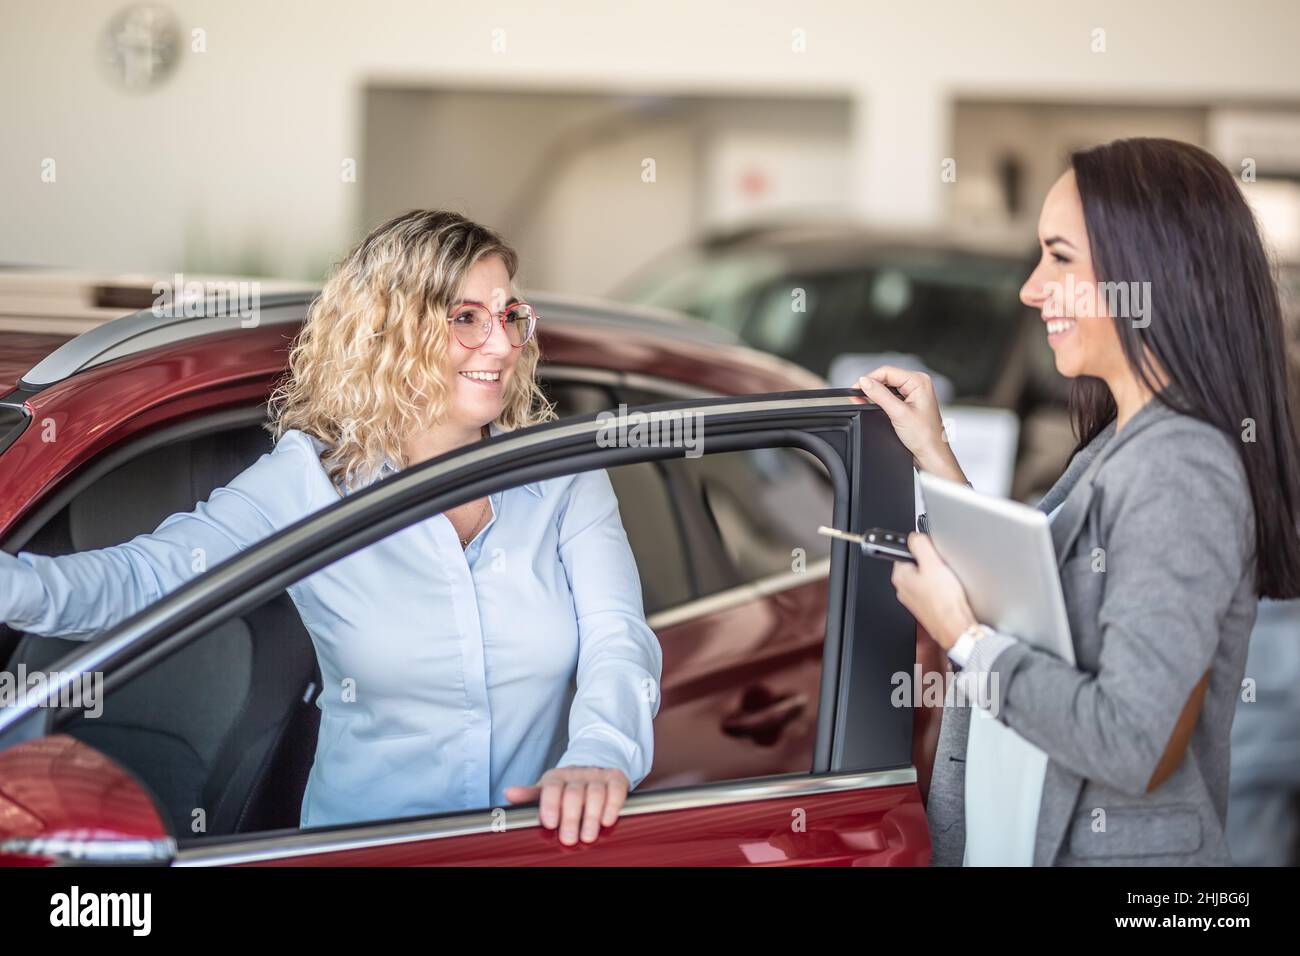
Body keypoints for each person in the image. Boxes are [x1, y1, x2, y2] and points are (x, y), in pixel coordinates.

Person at [0, 210, 662, 846]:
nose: (503, 343)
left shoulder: (562, 475)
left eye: (509, 315)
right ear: (387, 331)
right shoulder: (310, 482)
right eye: (466, 318)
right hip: (363, 852)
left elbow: (617, 638)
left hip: (530, 847)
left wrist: (600, 754)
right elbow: (139, 581)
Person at [857, 137, 1300, 865]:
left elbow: (1135, 743)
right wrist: (934, 456)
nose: (1032, 289)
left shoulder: (1182, 468)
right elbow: (1033, 597)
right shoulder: (1119, 443)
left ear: (1146, 273)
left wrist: (966, 640)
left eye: (1060, 258)